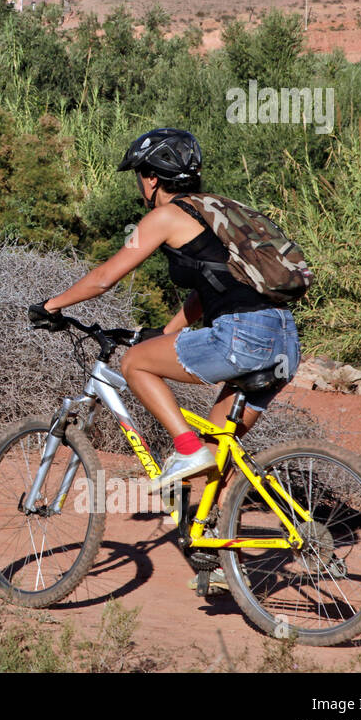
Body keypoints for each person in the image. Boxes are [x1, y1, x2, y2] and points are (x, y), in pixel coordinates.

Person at [39, 128, 300, 494]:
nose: (139, 184)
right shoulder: (217, 210)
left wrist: (50, 306)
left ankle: (185, 447)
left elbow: (103, 278)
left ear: (152, 178)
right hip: (283, 339)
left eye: (139, 175)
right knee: (217, 452)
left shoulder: (166, 216)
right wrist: (167, 332)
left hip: (242, 336)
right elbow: (210, 288)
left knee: (134, 363)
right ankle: (214, 538)